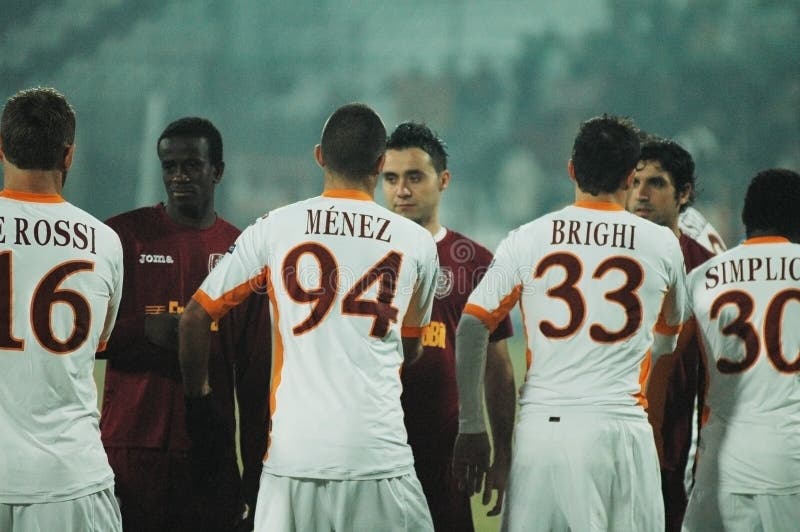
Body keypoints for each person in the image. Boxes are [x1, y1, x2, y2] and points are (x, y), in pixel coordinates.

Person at [179, 103, 439, 531]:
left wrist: (200, 405)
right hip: (379, 458)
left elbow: (194, 318)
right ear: (380, 163)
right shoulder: (417, 242)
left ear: (320, 156)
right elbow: (410, 348)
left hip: (293, 461)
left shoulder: (275, 227)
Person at [453, 115, 689, 531]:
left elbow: (472, 325)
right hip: (622, 430)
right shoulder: (663, 245)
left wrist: (473, 425)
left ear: (571, 169)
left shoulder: (528, 237)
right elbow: (667, 342)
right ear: (631, 177)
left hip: (545, 433)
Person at [98, 117, 270, 532]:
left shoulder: (243, 252)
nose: (178, 176)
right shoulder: (120, 237)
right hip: (125, 455)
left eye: (192, 165)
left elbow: (253, 377)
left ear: (218, 170)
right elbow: (81, 336)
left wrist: (255, 478)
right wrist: (143, 330)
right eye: (169, 166)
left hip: (207, 456)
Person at [381, 121, 516, 530]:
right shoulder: (365, 258)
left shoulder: (473, 262)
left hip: (450, 457)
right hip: (376, 452)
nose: (401, 190)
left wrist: (503, 454)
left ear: (443, 181)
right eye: (390, 178)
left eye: (414, 177)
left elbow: (498, 366)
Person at [0, 87, 124, 531]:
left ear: (1, 148)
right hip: (68, 480)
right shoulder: (104, 242)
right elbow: (97, 345)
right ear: (68, 155)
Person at [682, 168, 800, 532]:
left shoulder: (701, 278)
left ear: (747, 218)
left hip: (720, 465)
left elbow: (676, 372)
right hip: (791, 462)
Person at [626, 138, 724, 531]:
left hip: (676, 420)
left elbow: (713, 359)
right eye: (634, 182)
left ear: (684, 193)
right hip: (616, 412)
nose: (641, 194)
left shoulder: (705, 262)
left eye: (656, 183)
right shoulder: (613, 248)